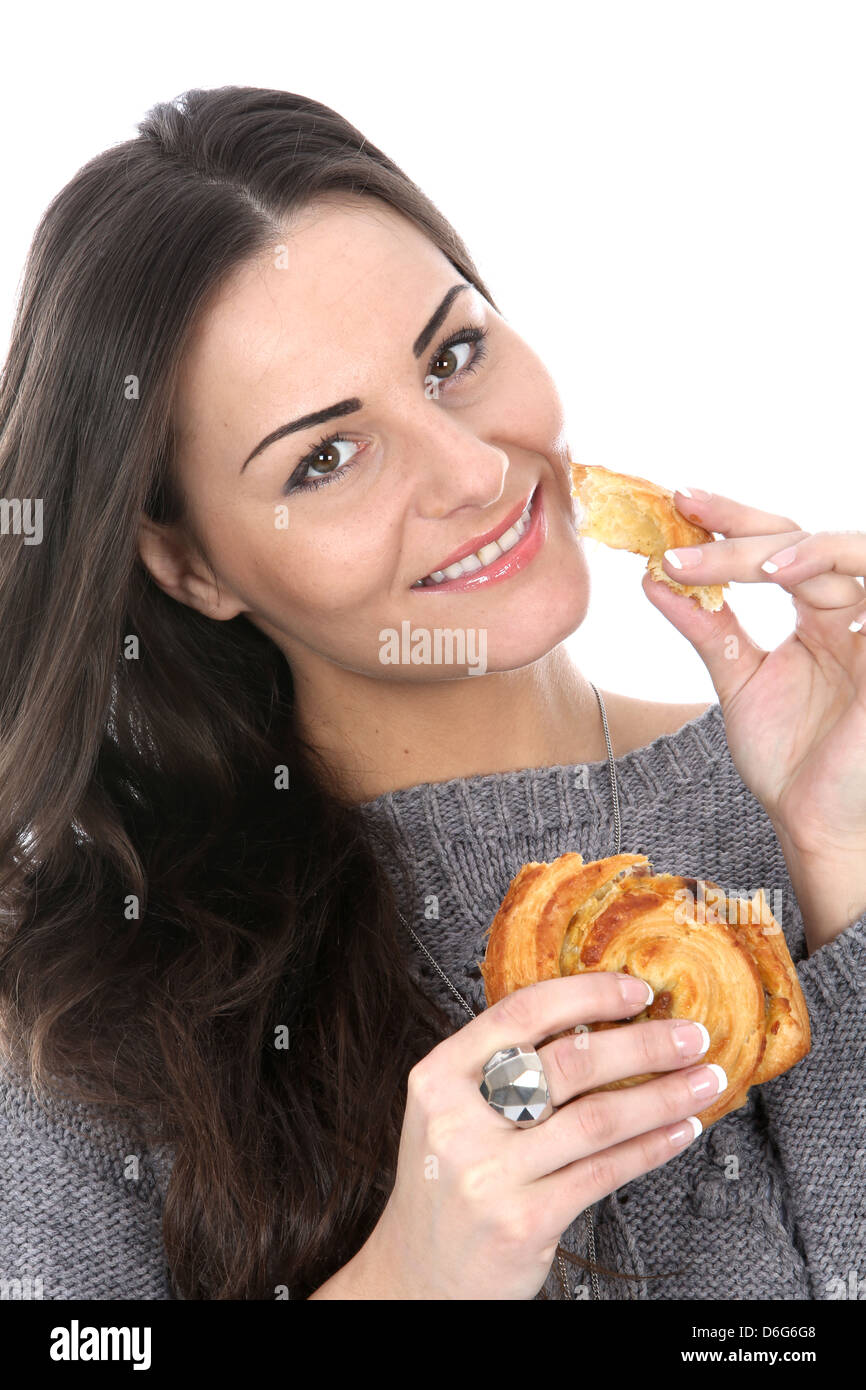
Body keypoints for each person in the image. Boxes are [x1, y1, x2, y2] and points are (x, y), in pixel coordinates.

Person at [1, 85, 864, 1302]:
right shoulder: (89, 991)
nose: (474, 471)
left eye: (452, 356)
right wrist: (411, 1280)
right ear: (187, 564)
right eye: (326, 455)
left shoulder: (814, 800)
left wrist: (838, 853)